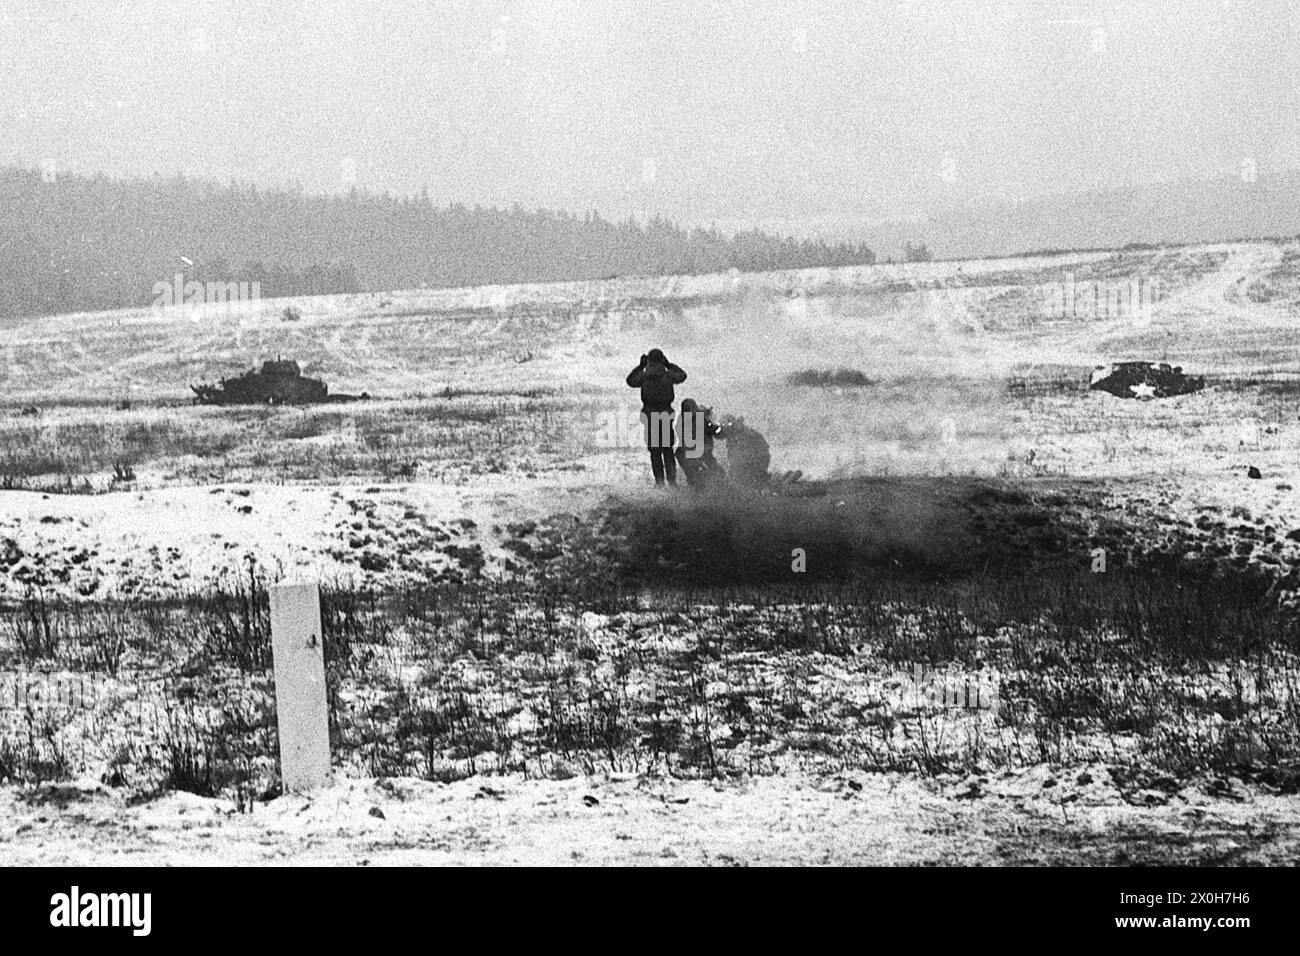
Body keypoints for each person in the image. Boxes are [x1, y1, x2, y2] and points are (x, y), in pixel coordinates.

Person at [626, 348, 687, 486]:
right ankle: (672, 480)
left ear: (649, 360)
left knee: (654, 451)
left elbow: (630, 381)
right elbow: (682, 375)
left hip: (650, 417)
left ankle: (659, 481)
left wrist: (640, 366)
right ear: (661, 359)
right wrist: (669, 364)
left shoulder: (644, 376)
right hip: (665, 415)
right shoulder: (668, 375)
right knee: (667, 449)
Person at [675, 398, 725, 491]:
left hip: (686, 455)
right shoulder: (700, 420)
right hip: (699, 455)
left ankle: (699, 493)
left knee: (694, 478)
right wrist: (721, 428)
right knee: (718, 474)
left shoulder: (681, 421)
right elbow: (717, 433)